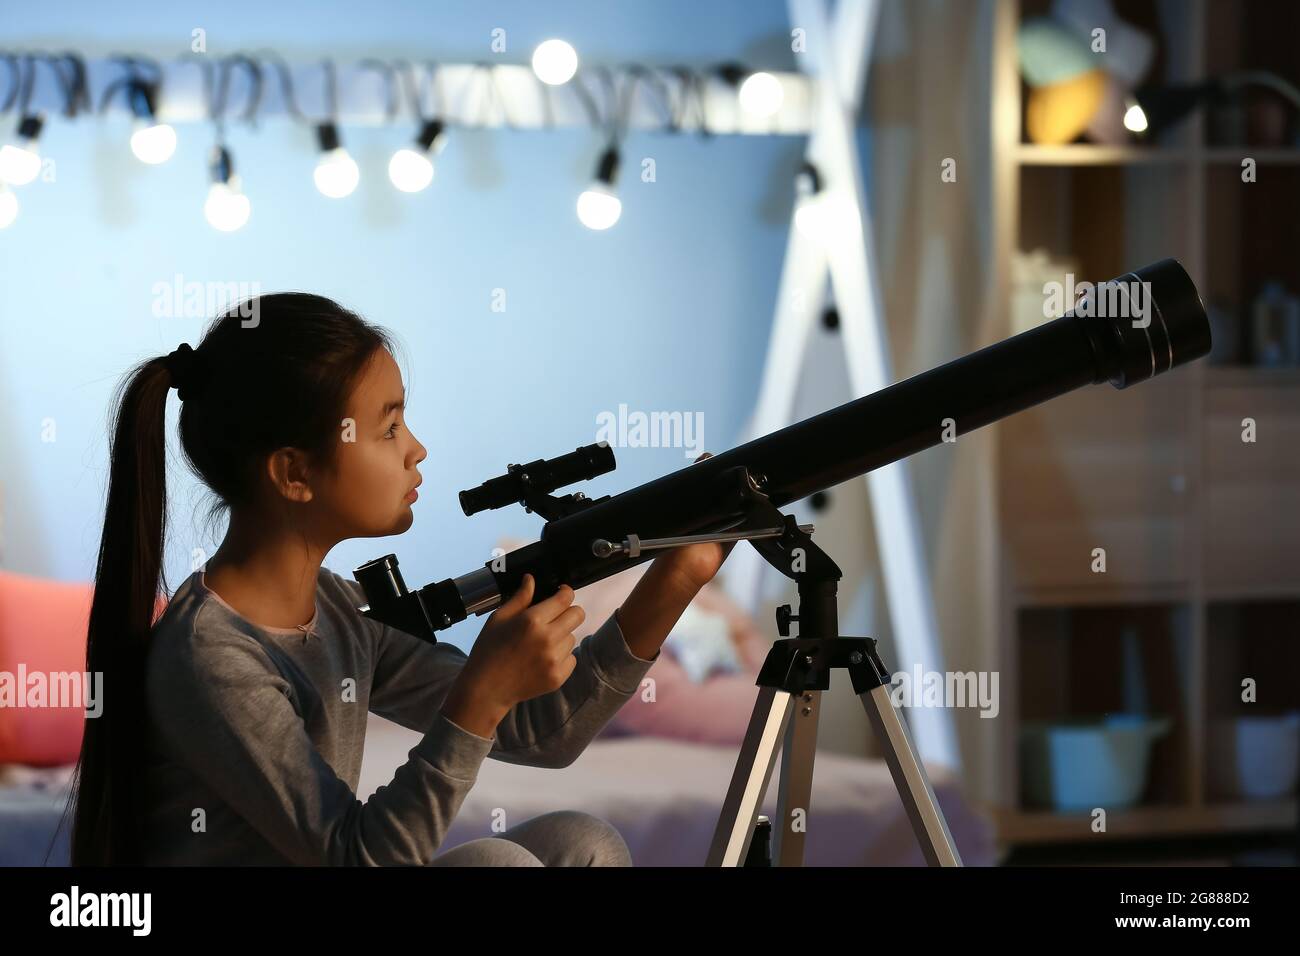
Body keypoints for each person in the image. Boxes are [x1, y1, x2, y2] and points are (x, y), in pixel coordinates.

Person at [62, 292, 732, 866]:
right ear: (294, 473)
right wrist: (479, 695)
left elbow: (545, 733)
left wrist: (680, 574)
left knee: (581, 844)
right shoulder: (212, 656)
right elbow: (358, 856)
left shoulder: (337, 608)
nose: (416, 449)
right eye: (388, 429)